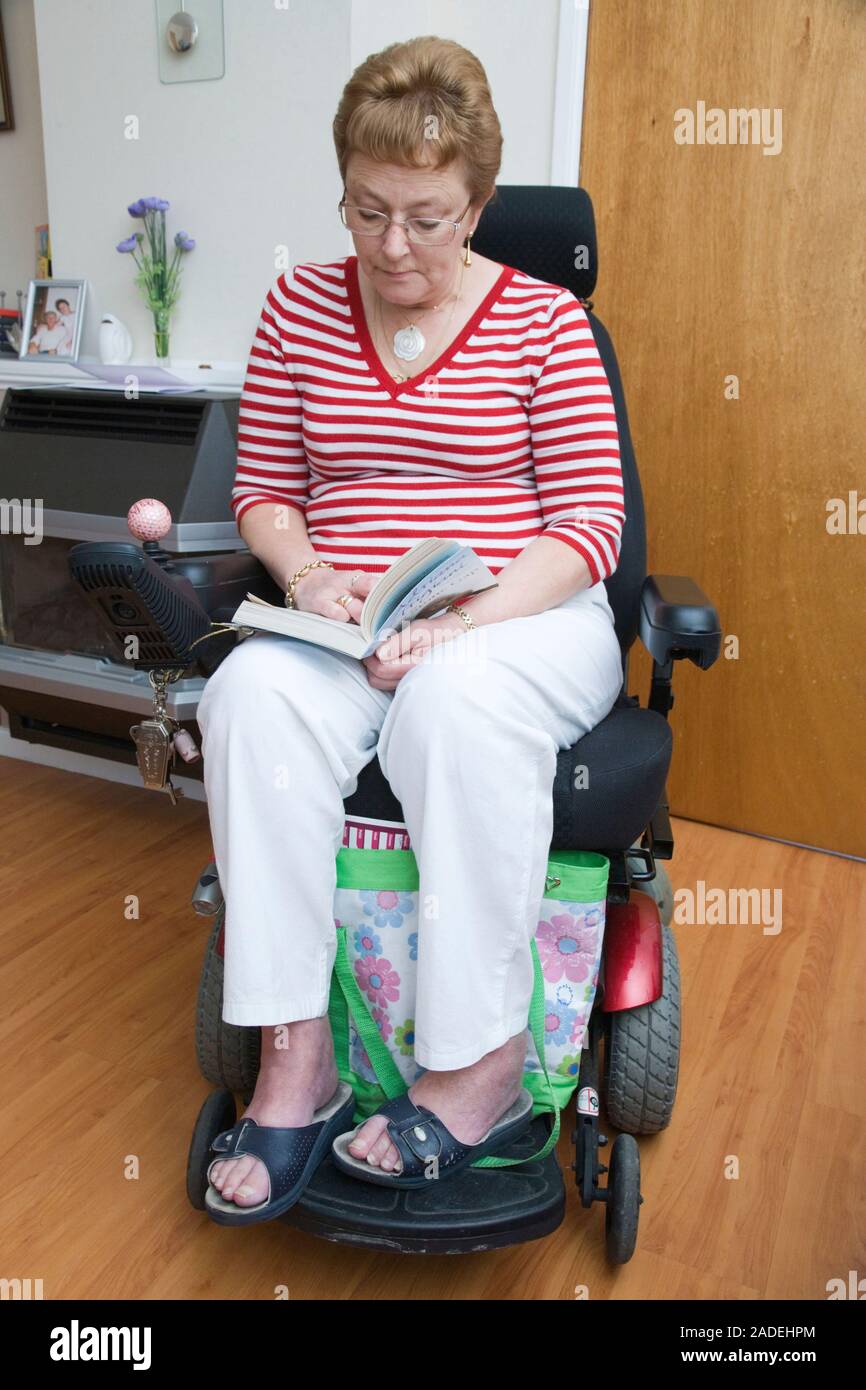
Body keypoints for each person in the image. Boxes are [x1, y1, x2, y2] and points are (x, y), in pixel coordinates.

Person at [199, 34, 626, 1222]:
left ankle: (476, 1063)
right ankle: (298, 1063)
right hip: (356, 621)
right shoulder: (297, 305)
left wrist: (467, 623)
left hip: (524, 616)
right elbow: (264, 491)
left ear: (477, 204)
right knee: (245, 697)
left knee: (452, 697)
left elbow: (589, 522)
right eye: (367, 210)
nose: (393, 247)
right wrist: (306, 575)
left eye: (428, 218)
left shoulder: (544, 324)